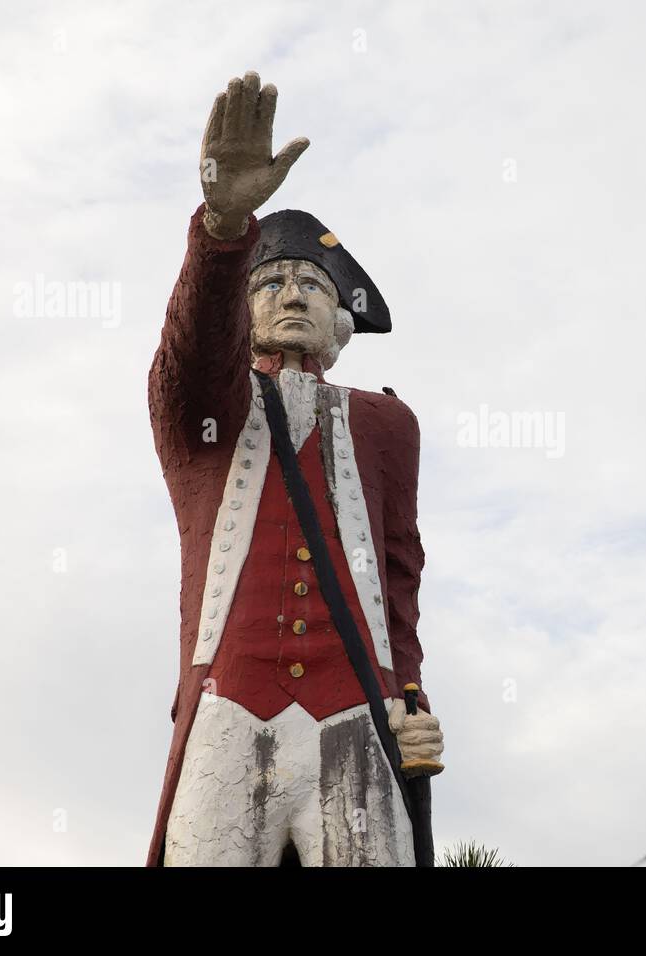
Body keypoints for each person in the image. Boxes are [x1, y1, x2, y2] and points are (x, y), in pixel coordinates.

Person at [145, 71, 443, 867]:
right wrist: (223, 224)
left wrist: (410, 700)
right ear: (239, 310)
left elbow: (399, 576)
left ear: (340, 316)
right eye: (270, 281)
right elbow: (188, 357)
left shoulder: (385, 424)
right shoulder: (208, 413)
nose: (292, 293)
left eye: (311, 282)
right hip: (228, 706)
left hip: (357, 714)